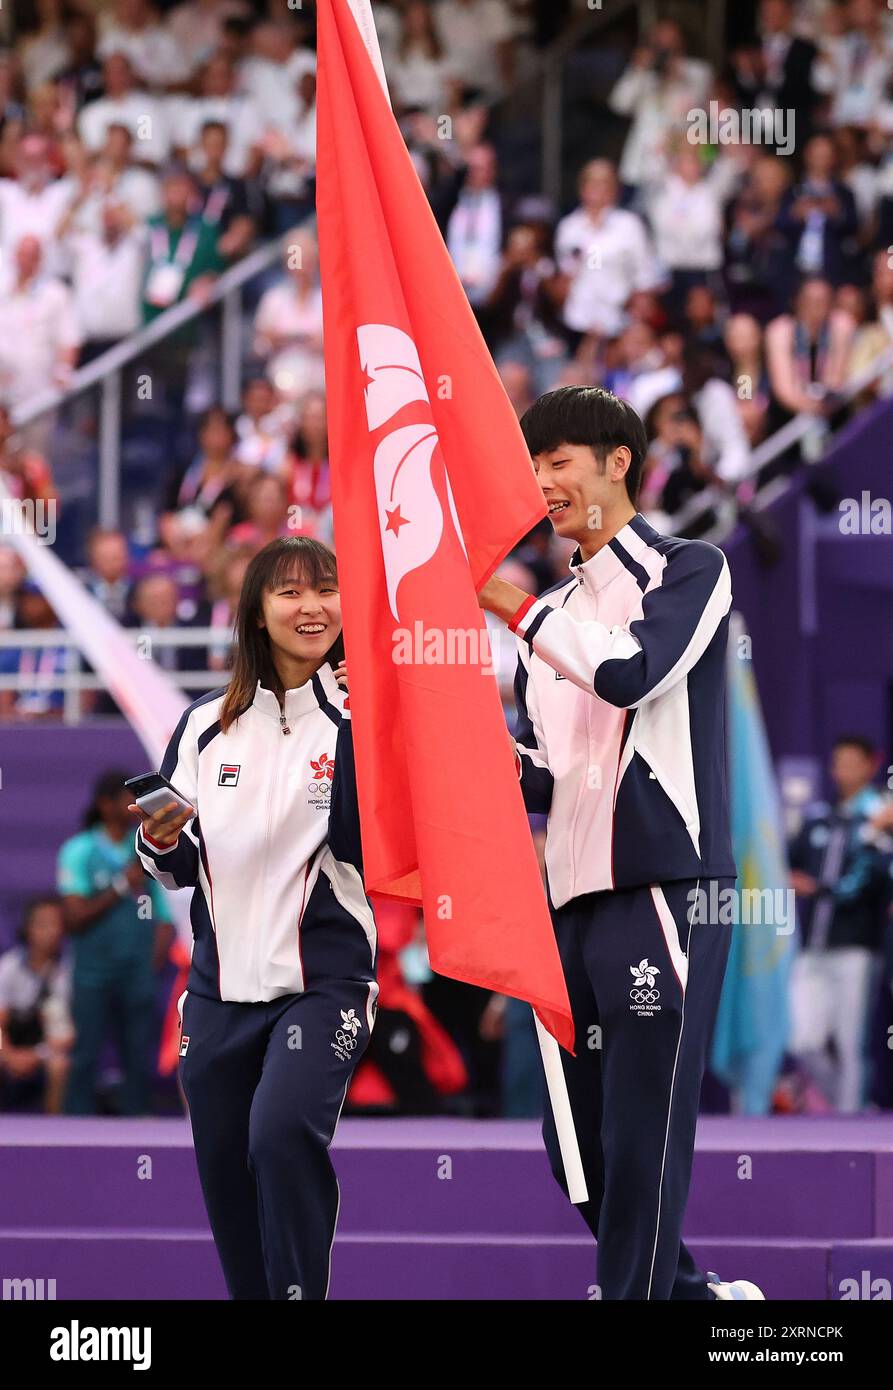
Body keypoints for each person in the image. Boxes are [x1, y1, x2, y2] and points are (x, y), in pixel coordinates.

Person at [477, 385, 761, 1301]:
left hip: (659, 888)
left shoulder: (691, 570)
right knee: (578, 1152)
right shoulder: (546, 621)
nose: (541, 483)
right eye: (532, 466)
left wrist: (511, 607)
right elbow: (549, 776)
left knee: (643, 1138)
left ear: (616, 464)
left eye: (557, 462)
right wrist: (464, 751)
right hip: (565, 900)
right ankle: (701, 1303)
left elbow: (631, 674)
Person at [130, 536, 378, 1301]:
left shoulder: (359, 718)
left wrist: (368, 724)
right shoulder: (205, 725)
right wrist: (160, 837)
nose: (312, 607)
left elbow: (373, 845)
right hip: (216, 992)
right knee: (227, 1182)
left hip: (322, 983)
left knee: (277, 1135)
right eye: (291, 593)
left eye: (327, 590)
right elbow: (172, 864)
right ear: (257, 612)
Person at [57, 770, 174, 1114]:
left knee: (138, 1056)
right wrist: (121, 886)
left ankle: (136, 1125)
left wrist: (147, 966)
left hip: (136, 972)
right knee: (85, 1054)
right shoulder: (79, 850)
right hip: (92, 973)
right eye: (125, 799)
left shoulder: (145, 845)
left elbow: (163, 917)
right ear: (104, 804)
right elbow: (74, 917)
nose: (133, 806)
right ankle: (75, 1128)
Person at [788, 735, 890, 1112]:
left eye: (851, 762)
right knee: (802, 1040)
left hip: (857, 946)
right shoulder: (817, 815)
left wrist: (816, 888)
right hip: (813, 945)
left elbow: (863, 881)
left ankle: (851, 1125)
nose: (842, 771)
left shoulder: (883, 814)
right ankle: (847, 1109)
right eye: (837, 762)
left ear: (870, 765)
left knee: (851, 1043)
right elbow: (787, 867)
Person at [0, 895, 73, 1114]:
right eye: (43, 925)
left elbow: (64, 1035)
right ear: (28, 929)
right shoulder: (9, 968)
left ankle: (54, 1129)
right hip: (7, 1046)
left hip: (44, 1048)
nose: (51, 932)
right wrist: (9, 1055)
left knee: (59, 1065)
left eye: (56, 924)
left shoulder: (65, 973)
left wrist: (35, 1055)